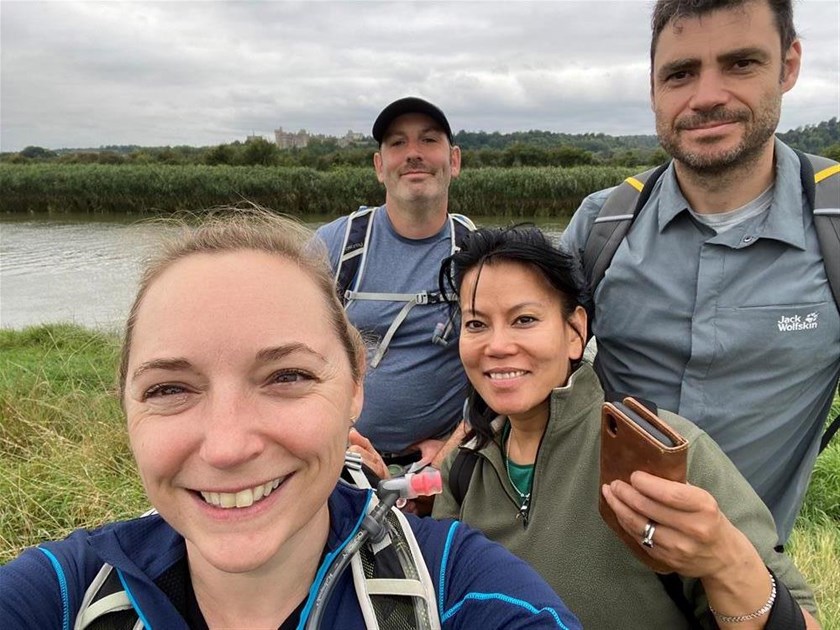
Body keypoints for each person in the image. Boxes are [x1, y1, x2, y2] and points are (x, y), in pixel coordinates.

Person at [0, 208, 582, 630]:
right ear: (124, 401)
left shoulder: (457, 590)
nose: (227, 447)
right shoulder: (63, 595)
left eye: (287, 377)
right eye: (170, 388)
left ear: (357, 382)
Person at [432, 225, 820, 629]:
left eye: (524, 319)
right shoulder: (463, 471)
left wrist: (724, 557)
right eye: (476, 324)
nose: (496, 345)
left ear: (575, 332)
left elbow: (803, 619)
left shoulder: (661, 454)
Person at [560, 0, 840, 543]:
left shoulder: (834, 229)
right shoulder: (601, 225)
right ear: (653, 88)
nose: (707, 96)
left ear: (788, 66)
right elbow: (521, 366)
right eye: (681, 73)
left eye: (741, 64)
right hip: (598, 552)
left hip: (748, 575)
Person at [316, 97, 472, 472]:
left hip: (437, 471)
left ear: (454, 161)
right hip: (339, 463)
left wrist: (451, 453)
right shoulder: (336, 245)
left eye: (429, 141)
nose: (413, 154)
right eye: (398, 143)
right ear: (379, 166)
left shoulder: (477, 254)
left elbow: (503, 370)